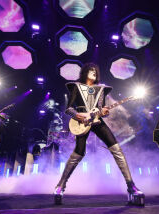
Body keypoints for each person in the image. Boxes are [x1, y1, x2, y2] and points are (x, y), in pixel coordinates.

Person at [54, 63, 144, 205]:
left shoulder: (101, 89)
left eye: (96, 71)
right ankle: (60, 185)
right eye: (91, 70)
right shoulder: (76, 87)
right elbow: (69, 108)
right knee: (79, 152)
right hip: (82, 120)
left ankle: (131, 185)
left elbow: (101, 110)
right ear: (84, 72)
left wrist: (105, 112)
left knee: (116, 149)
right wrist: (79, 115)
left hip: (97, 120)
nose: (94, 72)